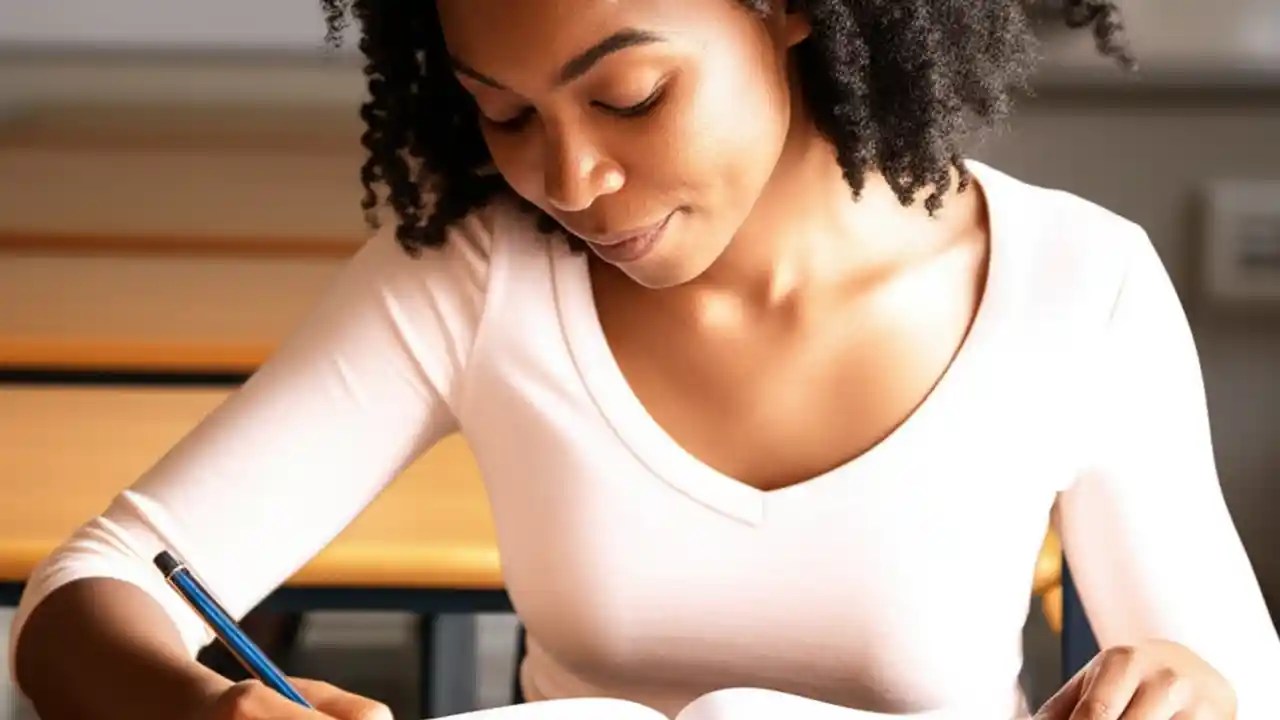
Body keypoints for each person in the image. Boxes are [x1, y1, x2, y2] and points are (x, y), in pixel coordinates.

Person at [10, 0, 1280, 718]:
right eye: (502, 114)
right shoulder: (476, 275)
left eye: (627, 97)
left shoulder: (1075, 283)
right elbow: (91, 590)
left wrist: (1184, 690)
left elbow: (1232, 686)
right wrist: (204, 713)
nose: (568, 178)